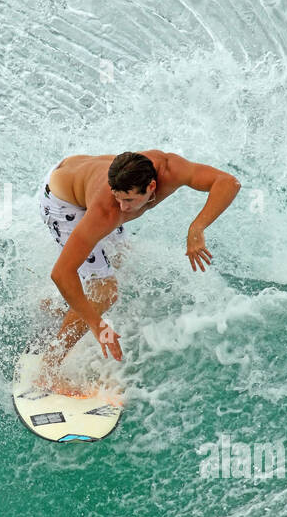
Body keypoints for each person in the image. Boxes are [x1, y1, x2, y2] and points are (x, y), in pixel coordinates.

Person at [37, 151, 240, 385]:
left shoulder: (169, 168)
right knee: (105, 292)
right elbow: (61, 273)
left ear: (152, 186)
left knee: (120, 260)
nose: (123, 207)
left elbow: (227, 182)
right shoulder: (107, 211)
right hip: (62, 201)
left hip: (78, 172)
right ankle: (48, 369)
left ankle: (58, 306)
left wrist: (197, 227)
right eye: (119, 198)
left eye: (130, 200)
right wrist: (97, 324)